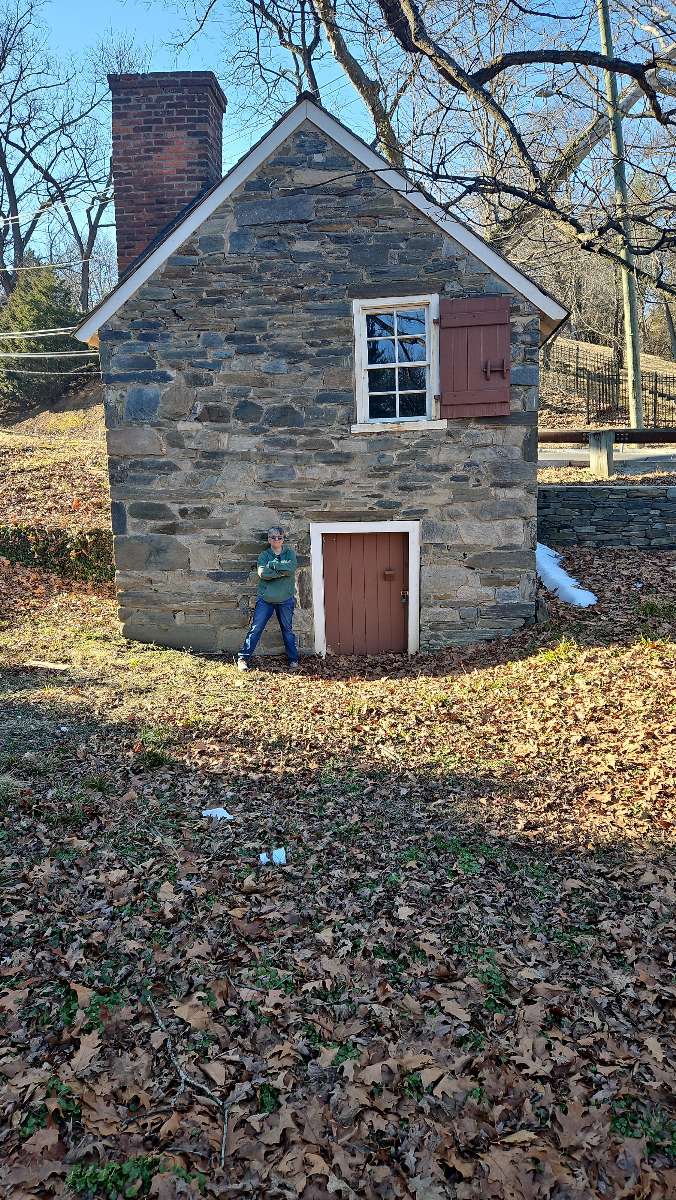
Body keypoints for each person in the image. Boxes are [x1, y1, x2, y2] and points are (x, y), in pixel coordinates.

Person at [237, 527, 299, 671]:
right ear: (268, 539)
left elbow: (291, 569)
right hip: (266, 600)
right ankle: (243, 658)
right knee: (256, 628)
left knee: (287, 630)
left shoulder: (289, 553)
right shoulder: (264, 555)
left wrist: (274, 566)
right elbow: (263, 573)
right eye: (273, 537)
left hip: (285, 599)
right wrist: (282, 573)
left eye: (279, 537)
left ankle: (293, 660)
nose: (276, 540)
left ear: (283, 538)